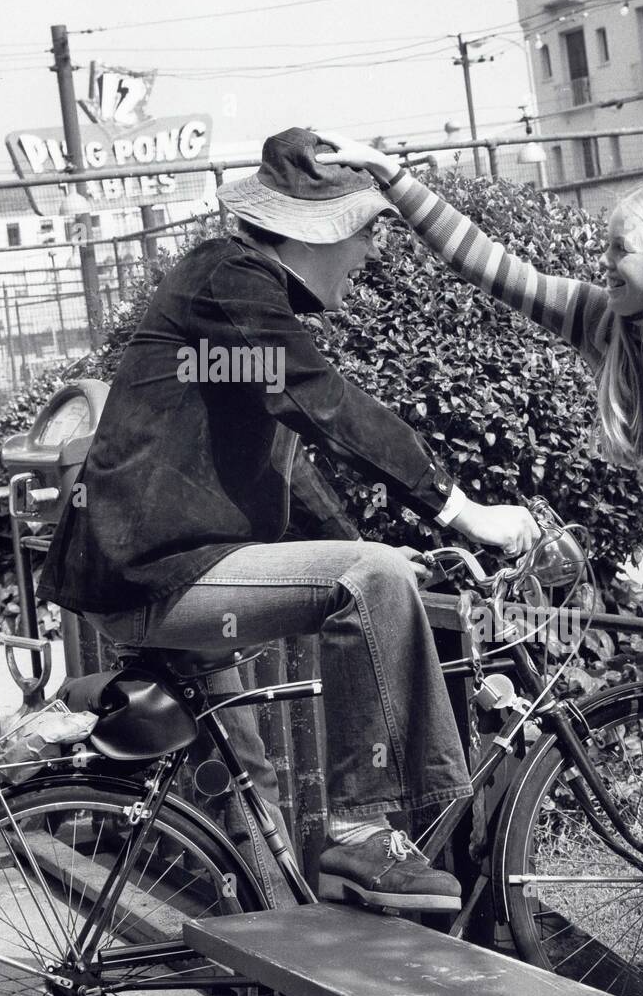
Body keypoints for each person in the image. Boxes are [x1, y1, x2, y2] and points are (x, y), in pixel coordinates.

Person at [315, 130, 643, 996]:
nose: (597, 261)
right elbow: (492, 266)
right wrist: (397, 180)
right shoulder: (609, 320)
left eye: (616, 249)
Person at [38, 126, 539, 913]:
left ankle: (278, 974)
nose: (373, 252)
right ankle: (364, 827)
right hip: (158, 572)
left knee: (252, 797)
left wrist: (373, 548)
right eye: (370, 230)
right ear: (326, 229)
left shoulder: (234, 295)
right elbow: (319, 397)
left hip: (150, 567)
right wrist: (456, 508)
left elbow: (288, 460)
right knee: (362, 580)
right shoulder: (228, 279)